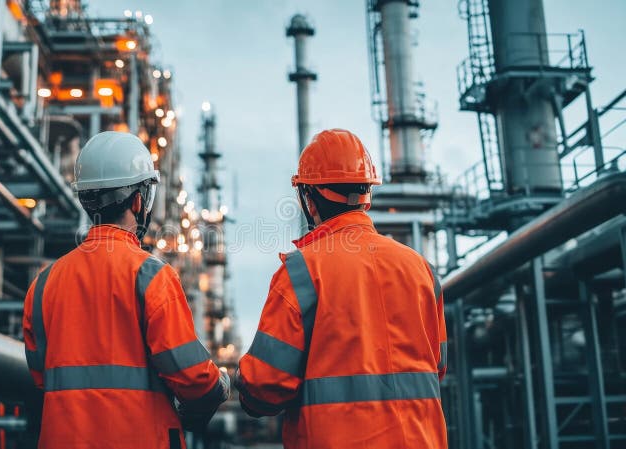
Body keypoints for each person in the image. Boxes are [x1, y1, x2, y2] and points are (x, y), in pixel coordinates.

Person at [236, 129, 447, 448]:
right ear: (367, 193)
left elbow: (263, 386)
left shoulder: (302, 271)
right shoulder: (421, 269)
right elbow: (438, 366)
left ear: (308, 198)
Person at [23, 131, 229, 449]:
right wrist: (221, 385)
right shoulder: (151, 276)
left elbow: (40, 377)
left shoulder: (43, 284)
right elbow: (193, 379)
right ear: (138, 200)